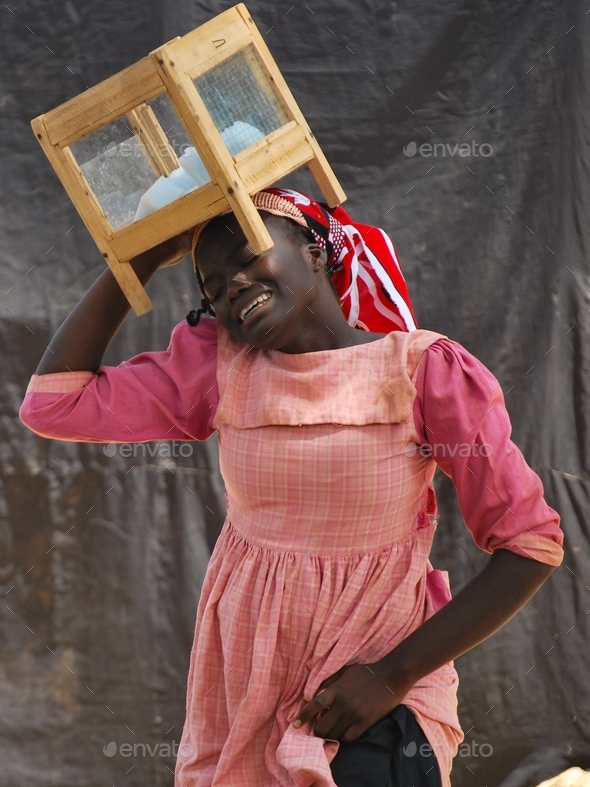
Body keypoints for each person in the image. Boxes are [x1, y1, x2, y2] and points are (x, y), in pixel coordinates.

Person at [19, 187, 564, 787]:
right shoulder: (221, 368)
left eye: (249, 256)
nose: (234, 286)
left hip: (368, 696)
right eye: (213, 286)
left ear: (312, 248)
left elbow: (529, 544)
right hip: (248, 695)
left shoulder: (421, 370)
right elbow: (55, 403)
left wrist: (393, 675)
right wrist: (142, 258)